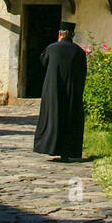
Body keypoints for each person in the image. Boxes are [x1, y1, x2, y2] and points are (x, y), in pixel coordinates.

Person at [33, 21, 88, 161]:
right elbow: (83, 72)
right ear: (72, 35)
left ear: (59, 34)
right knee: (69, 119)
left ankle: (51, 148)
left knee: (53, 118)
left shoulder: (52, 49)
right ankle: (67, 152)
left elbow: (44, 62)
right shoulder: (79, 52)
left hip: (53, 90)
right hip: (72, 92)